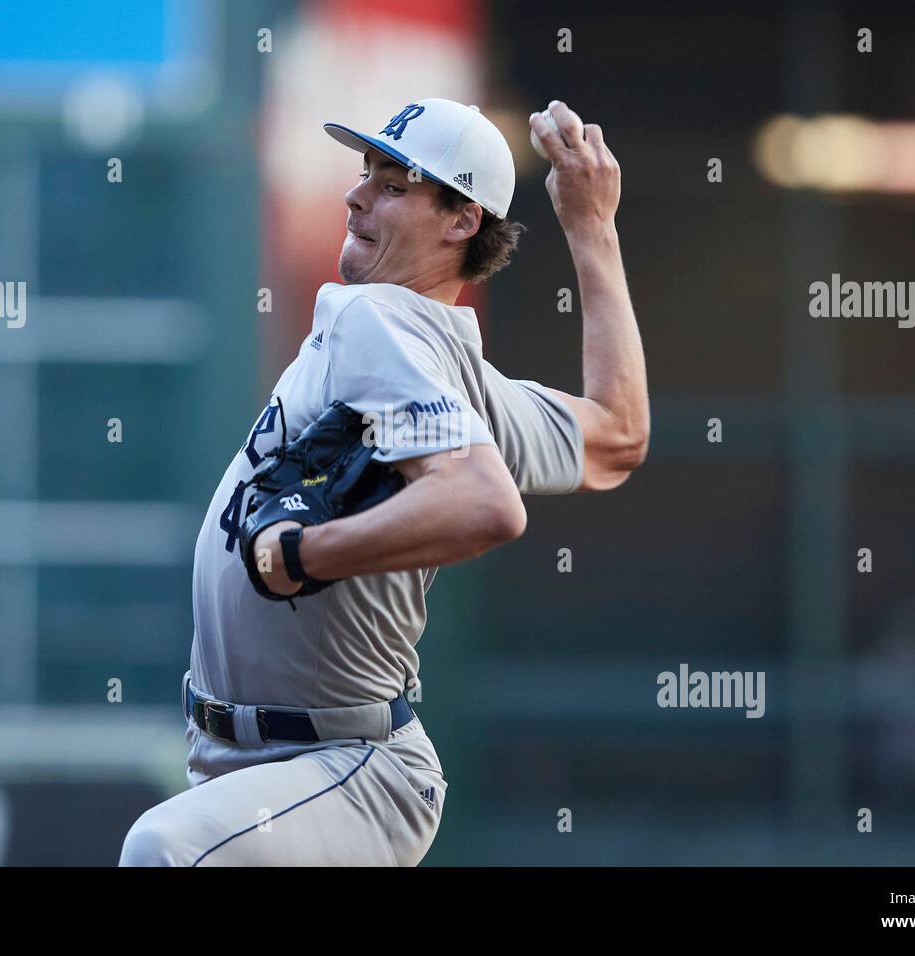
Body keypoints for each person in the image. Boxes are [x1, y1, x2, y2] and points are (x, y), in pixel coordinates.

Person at [119, 97, 649, 866]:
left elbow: (484, 502)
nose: (356, 194)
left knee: (163, 851)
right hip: (262, 763)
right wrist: (591, 227)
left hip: (343, 769)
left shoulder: (382, 323)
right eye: (366, 172)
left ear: (462, 219)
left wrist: (304, 553)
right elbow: (619, 433)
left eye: (395, 184)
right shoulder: (448, 374)